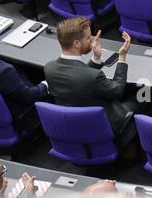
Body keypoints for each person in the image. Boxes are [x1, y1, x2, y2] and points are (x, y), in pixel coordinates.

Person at [44, 18, 136, 146]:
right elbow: (118, 90)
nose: (92, 41)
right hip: (104, 126)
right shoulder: (94, 76)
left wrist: (96, 58)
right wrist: (122, 57)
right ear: (76, 44)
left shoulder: (49, 68)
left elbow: (79, 76)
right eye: (88, 38)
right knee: (143, 99)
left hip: (73, 125)